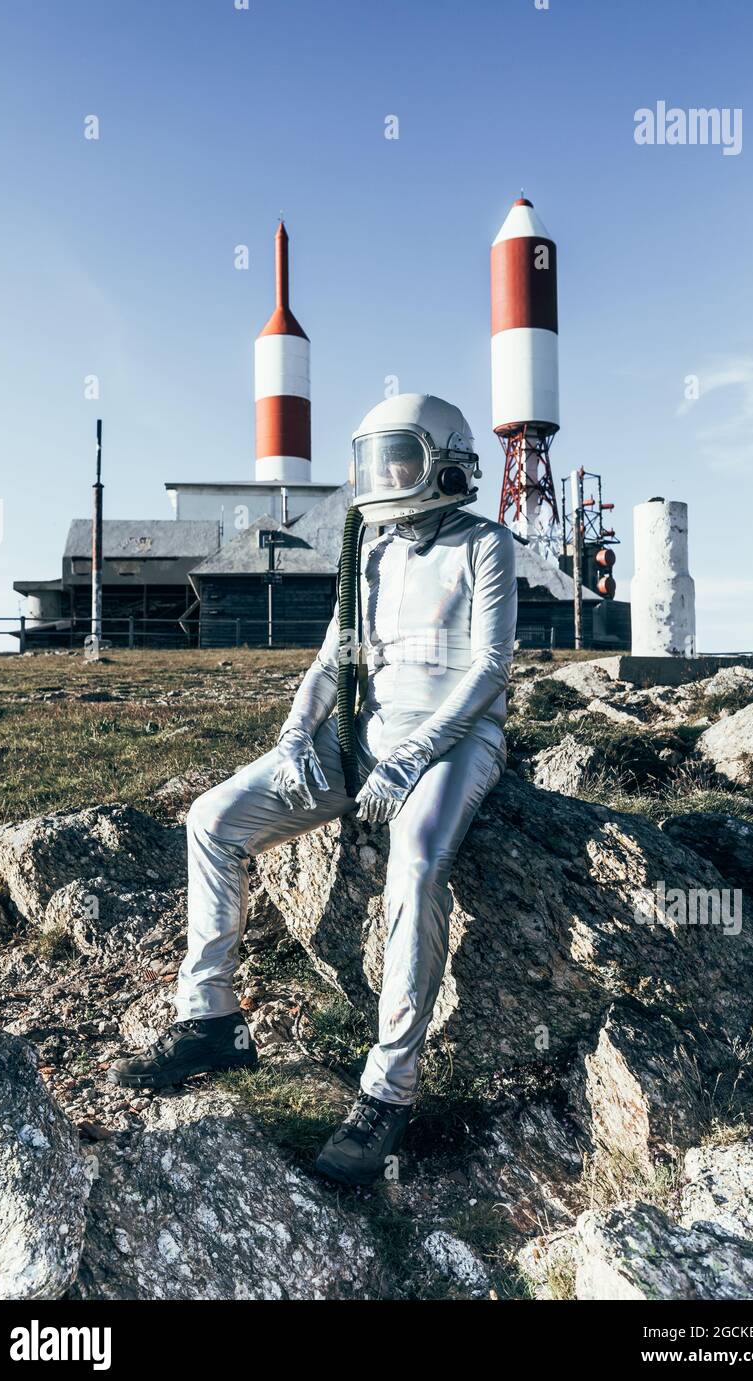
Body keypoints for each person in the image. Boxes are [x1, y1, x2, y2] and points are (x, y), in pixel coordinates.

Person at [109, 394, 518, 1185]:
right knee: (212, 819)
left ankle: (387, 1092)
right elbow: (333, 661)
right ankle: (211, 1019)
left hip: (457, 741)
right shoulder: (364, 551)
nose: (387, 474)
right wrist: (295, 736)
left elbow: (488, 671)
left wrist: (412, 758)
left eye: (402, 456)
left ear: (444, 458)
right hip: (360, 737)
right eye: (377, 458)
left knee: (418, 866)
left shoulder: (485, 545)